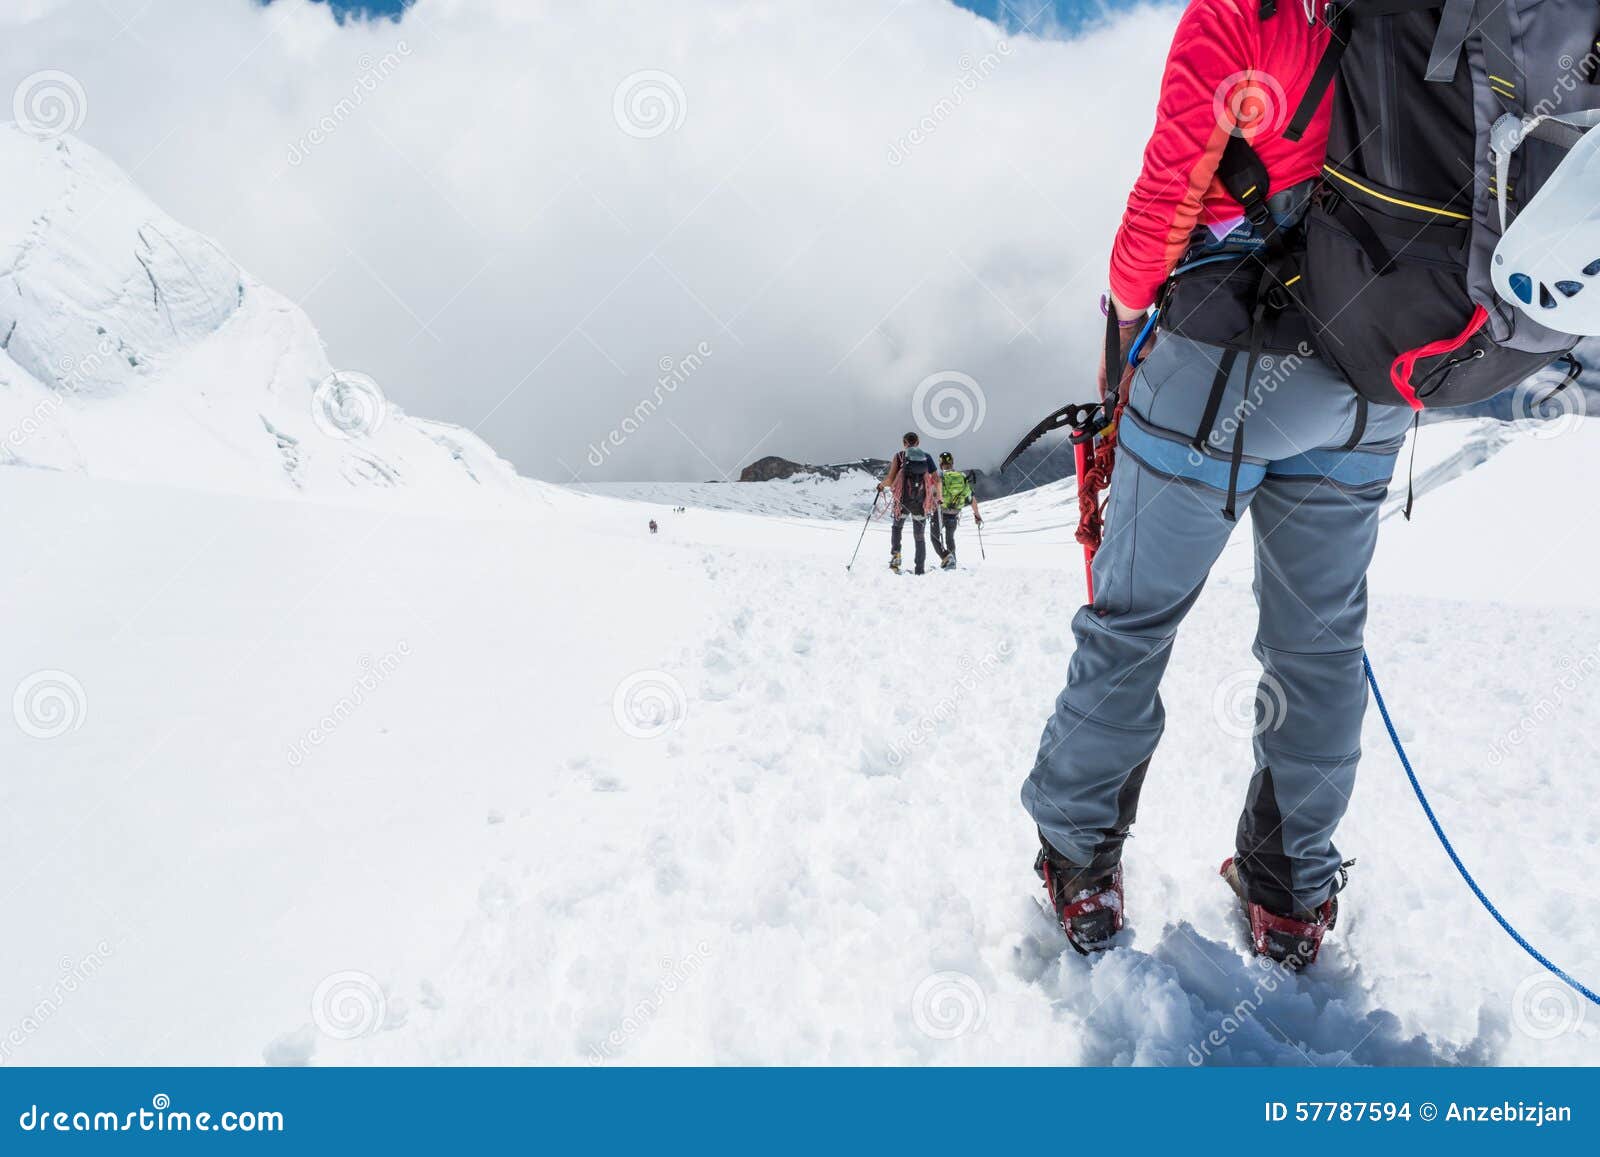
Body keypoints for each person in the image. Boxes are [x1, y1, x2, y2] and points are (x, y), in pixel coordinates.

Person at [1020, 0, 1414, 965]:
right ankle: (1290, 891)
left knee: (1133, 621)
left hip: (1219, 363)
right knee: (1319, 646)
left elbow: (1166, 202)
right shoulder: (1436, 20)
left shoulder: (1240, 15)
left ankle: (1081, 864)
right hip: (1372, 374)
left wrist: (1123, 326)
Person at [877, 432, 942, 575]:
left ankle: (896, 559)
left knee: (897, 527)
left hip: (902, 500)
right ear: (918, 442)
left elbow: (890, 480)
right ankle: (919, 569)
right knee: (919, 536)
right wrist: (939, 497)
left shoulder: (900, 456)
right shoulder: (926, 457)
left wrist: (881, 485)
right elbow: (937, 480)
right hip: (920, 502)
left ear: (904, 443)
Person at [929, 451, 981, 570]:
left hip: (940, 513)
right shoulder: (961, 477)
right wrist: (977, 515)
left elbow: (932, 494)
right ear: (952, 463)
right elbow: (971, 498)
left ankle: (947, 558)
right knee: (950, 538)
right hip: (954, 514)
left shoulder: (939, 477)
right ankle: (953, 562)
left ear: (940, 464)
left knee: (934, 537)